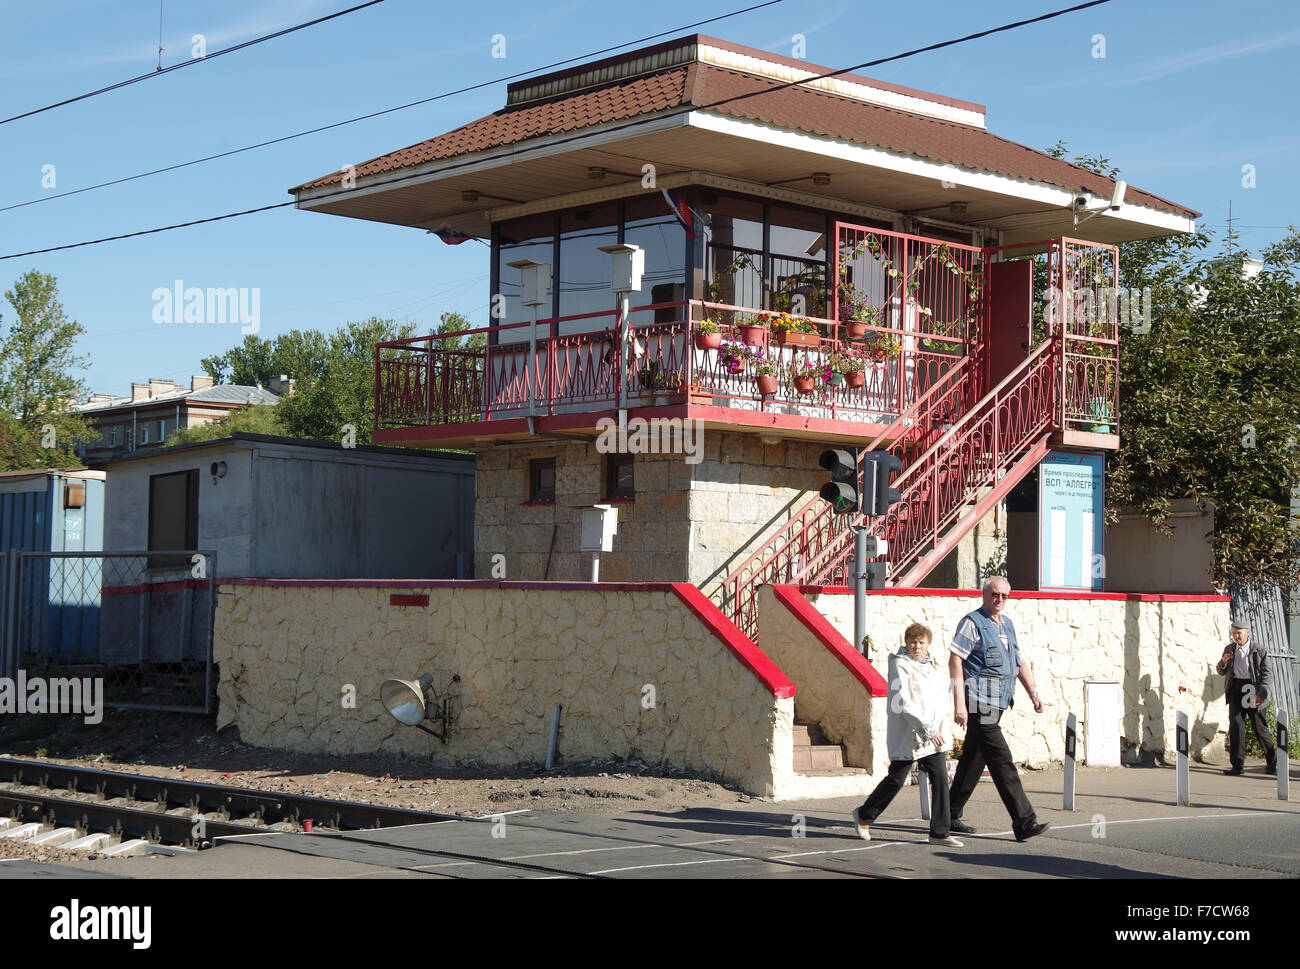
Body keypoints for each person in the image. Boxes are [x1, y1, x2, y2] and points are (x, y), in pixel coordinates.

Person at [945, 577, 1050, 842]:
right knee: (1002, 760)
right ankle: (1024, 821)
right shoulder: (973, 622)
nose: (1000, 599)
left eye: (1004, 595)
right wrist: (959, 703)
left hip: (1000, 702)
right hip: (980, 701)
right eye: (995, 594)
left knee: (973, 758)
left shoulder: (1008, 625)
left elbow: (1018, 661)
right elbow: (955, 659)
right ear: (984, 595)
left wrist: (1033, 692)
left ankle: (947, 814)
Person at [852, 623, 963, 847]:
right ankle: (864, 815)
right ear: (906, 643)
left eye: (921, 642)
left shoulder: (930, 666)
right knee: (896, 779)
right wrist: (927, 729)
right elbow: (904, 702)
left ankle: (939, 832)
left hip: (933, 736)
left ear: (928, 644)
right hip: (910, 733)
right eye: (913, 642)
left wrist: (939, 726)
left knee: (940, 779)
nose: (917, 646)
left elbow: (937, 699)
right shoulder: (899, 665)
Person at [1216, 620, 1276, 776]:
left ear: (1247, 633)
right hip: (1236, 689)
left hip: (1253, 688)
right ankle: (1237, 765)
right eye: (1234, 633)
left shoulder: (1258, 650)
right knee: (1236, 726)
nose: (1236, 636)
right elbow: (1220, 671)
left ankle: (1273, 763)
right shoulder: (1229, 649)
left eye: (1239, 633)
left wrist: (1261, 694)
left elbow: (1267, 675)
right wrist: (1223, 662)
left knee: (1259, 727)